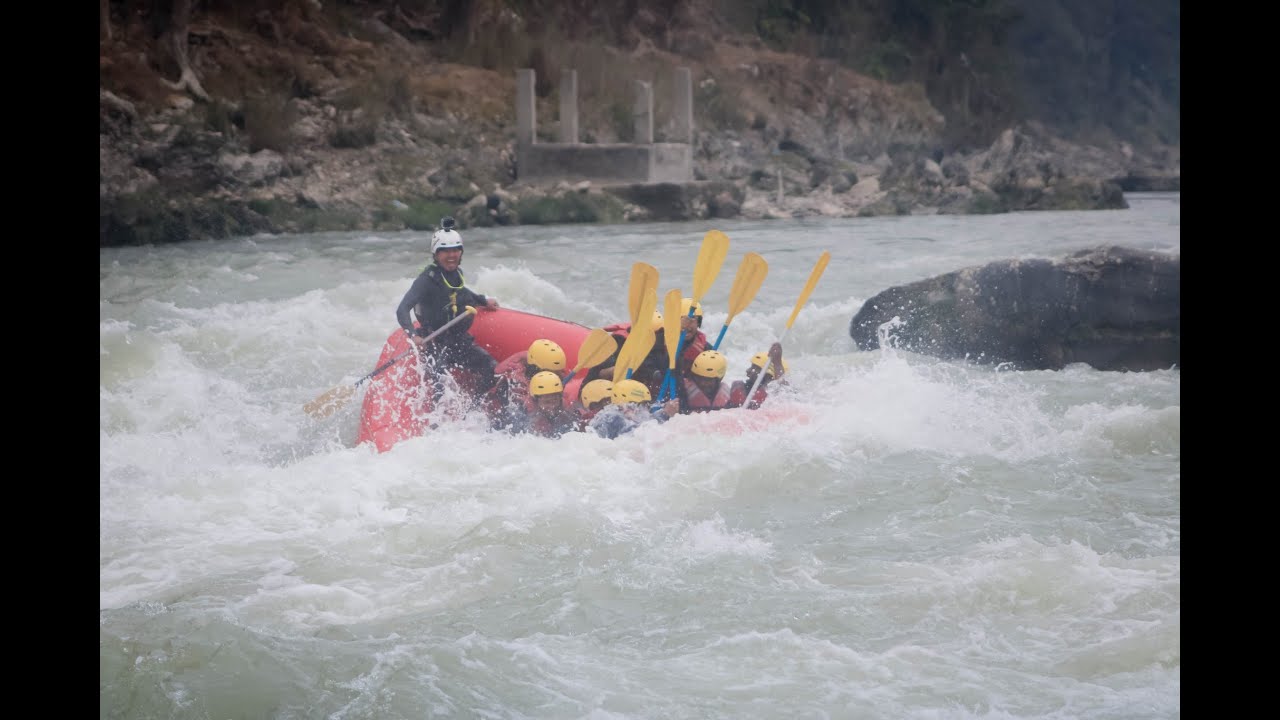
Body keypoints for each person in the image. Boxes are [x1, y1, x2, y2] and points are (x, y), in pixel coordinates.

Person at [395, 216, 500, 403]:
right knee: (440, 387)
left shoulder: (456, 274)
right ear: (436, 254)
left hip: (457, 341)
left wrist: (482, 300)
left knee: (492, 368)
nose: (451, 255)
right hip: (433, 343)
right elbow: (402, 309)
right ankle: (436, 416)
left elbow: (461, 292)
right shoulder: (426, 280)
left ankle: (473, 407)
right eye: (445, 251)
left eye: (455, 250)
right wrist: (413, 335)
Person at [487, 338, 567, 423]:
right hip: (503, 417)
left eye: (557, 372)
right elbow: (531, 412)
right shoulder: (516, 379)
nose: (555, 377)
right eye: (552, 373)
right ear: (535, 368)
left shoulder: (539, 360)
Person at [589, 379, 679, 439]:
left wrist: (665, 413)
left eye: (645, 405)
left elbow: (647, 423)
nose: (641, 410)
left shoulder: (626, 416)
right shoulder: (612, 417)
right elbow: (638, 436)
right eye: (638, 405)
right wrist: (664, 415)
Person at [503, 371, 581, 438]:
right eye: (547, 402)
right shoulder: (523, 414)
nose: (552, 406)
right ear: (535, 401)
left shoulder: (569, 411)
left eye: (555, 400)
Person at [729, 342, 787, 409]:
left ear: (768, 376)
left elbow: (782, 387)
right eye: (751, 367)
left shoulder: (774, 396)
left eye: (755, 368)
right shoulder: (746, 388)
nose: (748, 370)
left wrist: (777, 363)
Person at [678, 349, 733, 413]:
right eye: (699, 378)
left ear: (719, 379)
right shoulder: (681, 392)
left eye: (708, 380)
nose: (702, 383)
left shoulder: (729, 400)